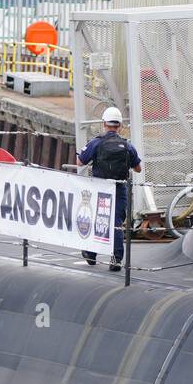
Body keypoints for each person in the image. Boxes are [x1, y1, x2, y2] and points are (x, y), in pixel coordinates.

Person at [77, 106, 142, 271]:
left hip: (101, 188)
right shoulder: (127, 146)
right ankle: (116, 259)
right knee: (116, 223)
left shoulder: (97, 142)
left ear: (104, 123)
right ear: (120, 125)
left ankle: (91, 254)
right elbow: (138, 168)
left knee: (98, 219)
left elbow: (80, 162)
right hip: (119, 188)